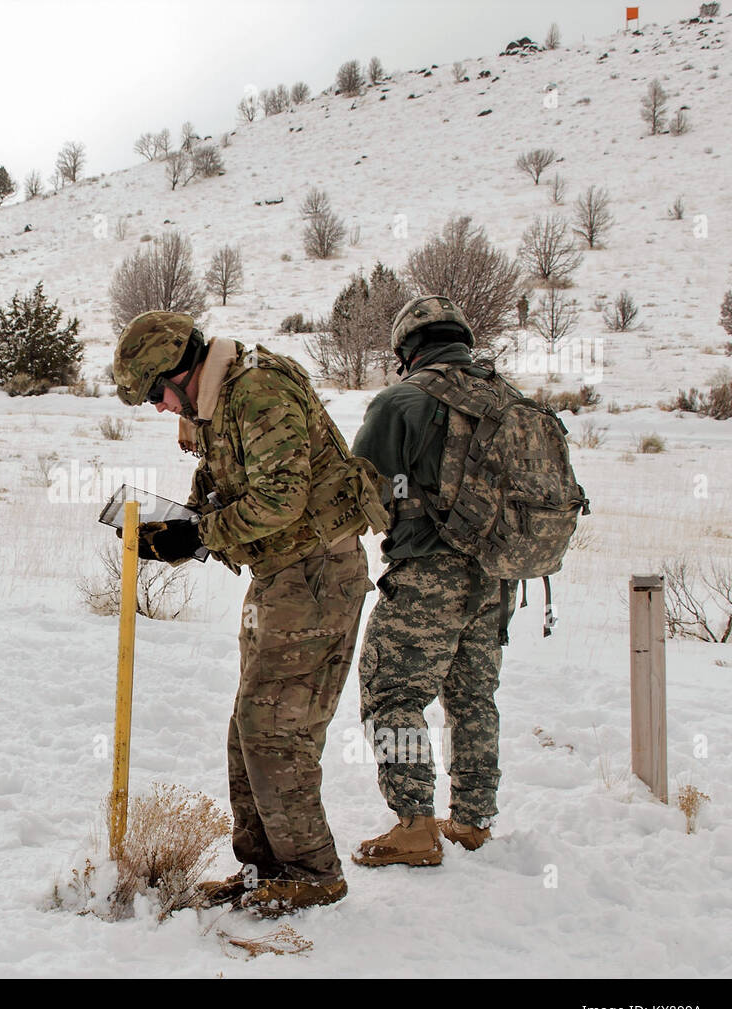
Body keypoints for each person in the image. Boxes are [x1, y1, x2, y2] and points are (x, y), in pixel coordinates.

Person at [112, 311, 387, 913]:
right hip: (280, 576)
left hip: (316, 574)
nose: (160, 408)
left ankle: (314, 873)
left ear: (178, 368)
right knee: (247, 730)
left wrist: (203, 535)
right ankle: (264, 870)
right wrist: (176, 529)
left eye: (157, 393)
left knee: (275, 729)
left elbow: (280, 501)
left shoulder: (257, 391)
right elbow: (219, 488)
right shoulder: (218, 401)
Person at [348, 295, 516, 866]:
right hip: (496, 576)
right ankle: (472, 820)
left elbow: (359, 489)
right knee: (473, 696)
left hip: (429, 573)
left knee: (393, 692)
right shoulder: (509, 401)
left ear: (407, 350)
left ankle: (415, 825)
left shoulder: (403, 400)